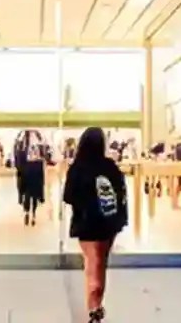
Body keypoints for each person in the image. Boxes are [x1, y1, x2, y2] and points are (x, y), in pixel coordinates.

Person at [63, 127, 127, 323]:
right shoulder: (110, 167)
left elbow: (68, 196)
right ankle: (96, 305)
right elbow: (121, 194)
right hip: (108, 224)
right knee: (101, 265)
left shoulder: (77, 168)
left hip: (86, 224)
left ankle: (94, 308)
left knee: (92, 265)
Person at [21, 131, 46, 226]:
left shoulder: (27, 150)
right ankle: (32, 214)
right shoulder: (38, 158)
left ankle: (29, 213)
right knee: (32, 197)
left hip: (30, 175)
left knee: (29, 196)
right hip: (34, 176)